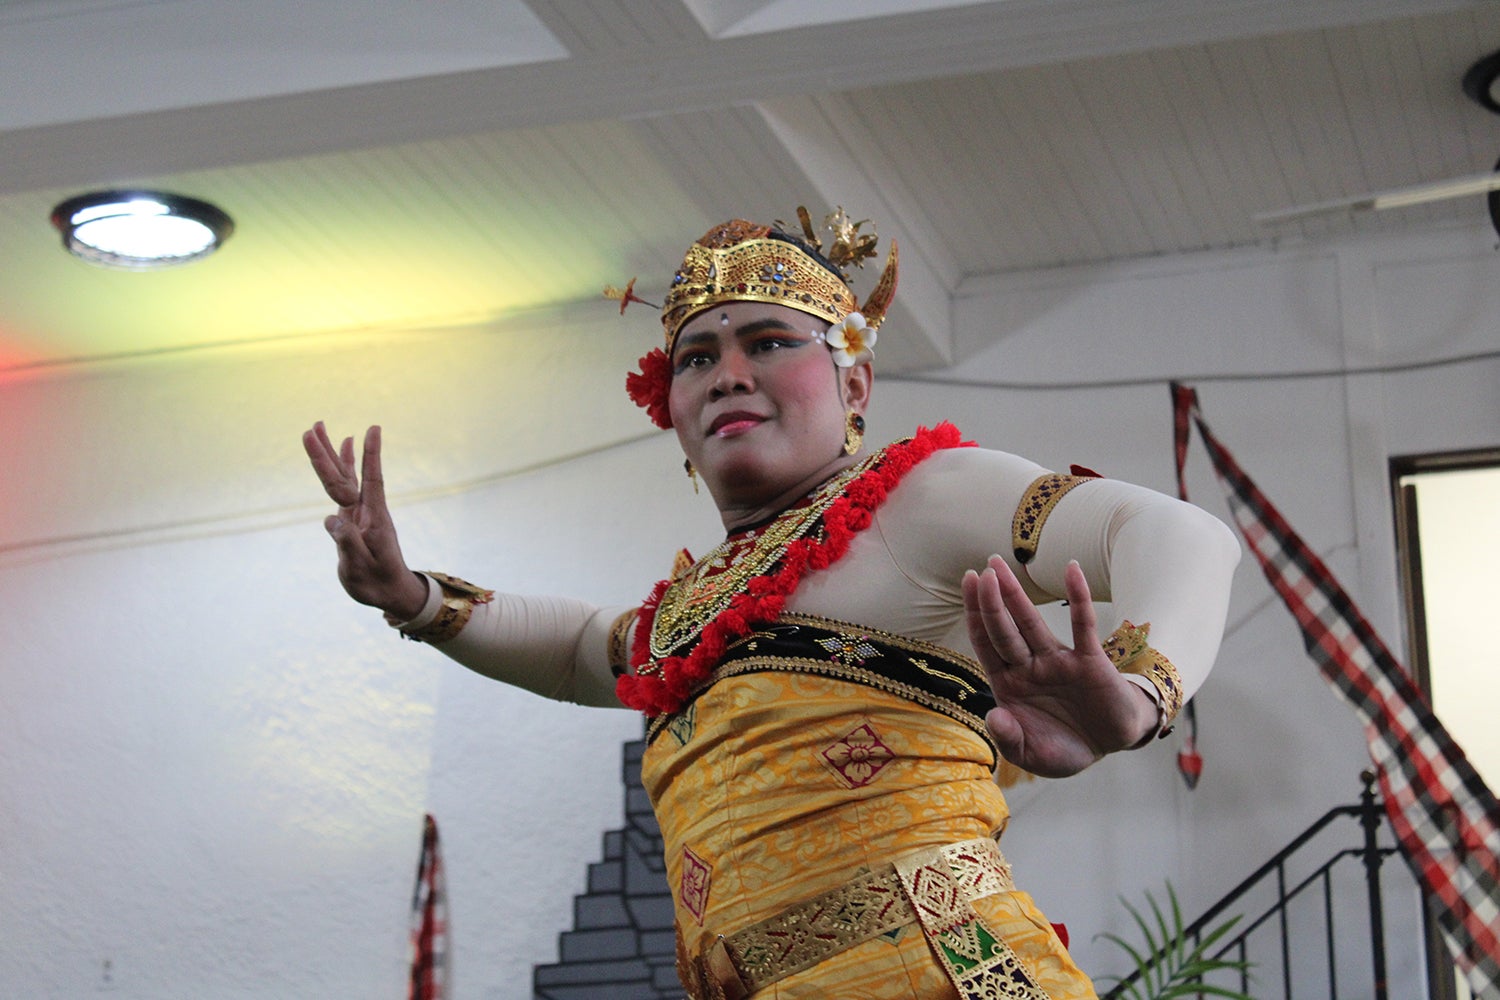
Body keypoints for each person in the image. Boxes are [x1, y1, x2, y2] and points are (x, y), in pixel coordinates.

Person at [304, 210, 1240, 999]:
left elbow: (1183, 537)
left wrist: (1146, 690)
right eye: (698, 357)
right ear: (672, 409)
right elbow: (583, 648)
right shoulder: (692, 608)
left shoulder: (925, 498)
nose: (729, 374)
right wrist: (411, 597)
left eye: (771, 342)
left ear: (855, 383)